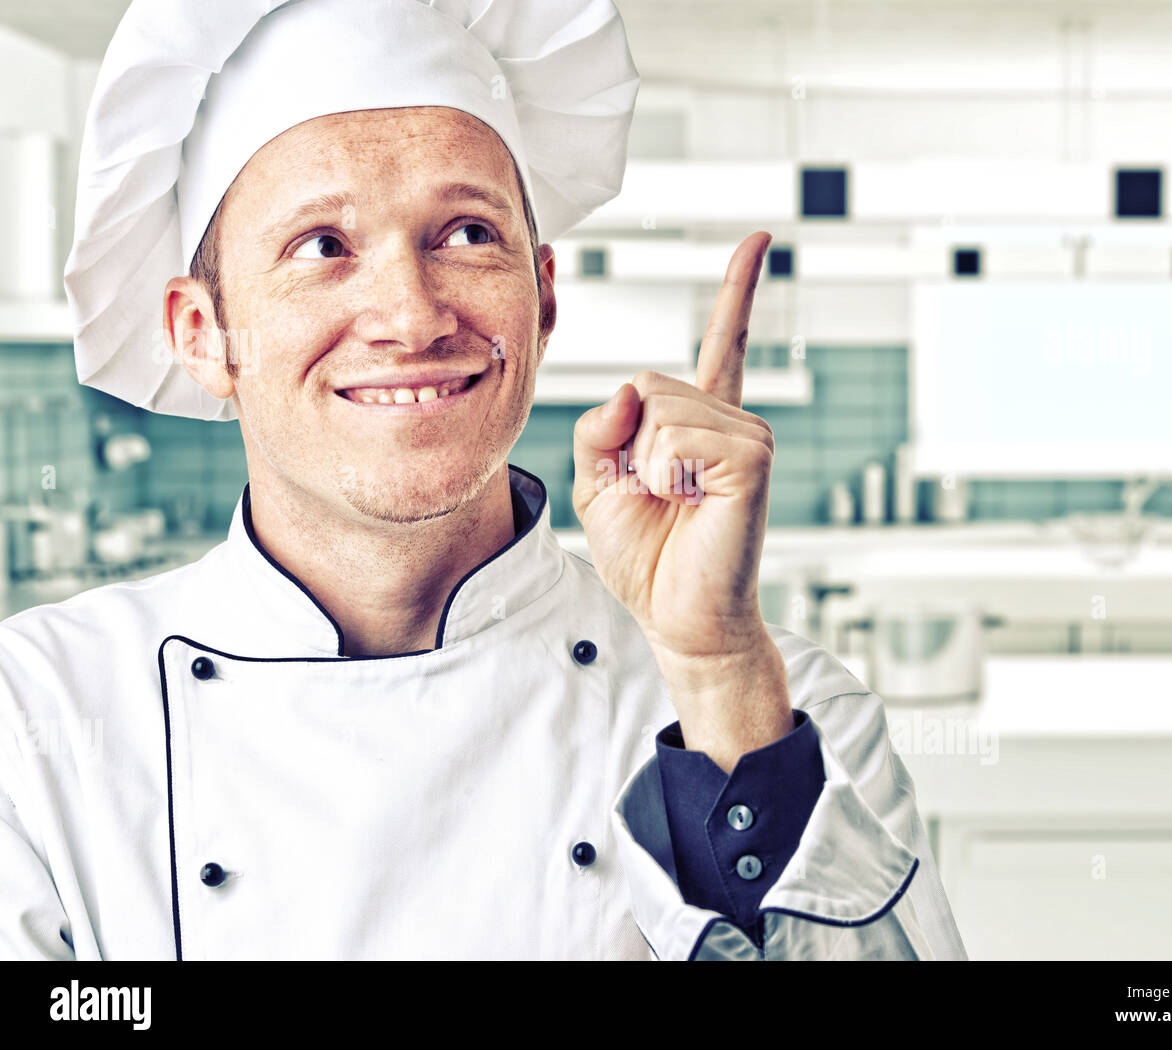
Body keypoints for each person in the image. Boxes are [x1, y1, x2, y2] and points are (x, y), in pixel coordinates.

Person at [0, 0, 967, 960]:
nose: (410, 318)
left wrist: (718, 680)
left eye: (466, 234)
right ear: (200, 335)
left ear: (544, 297)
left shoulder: (785, 714)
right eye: (321, 247)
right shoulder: (39, 720)